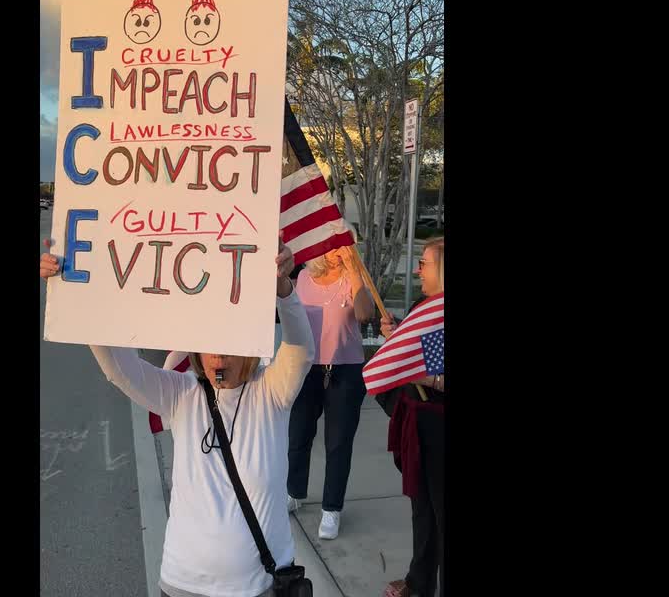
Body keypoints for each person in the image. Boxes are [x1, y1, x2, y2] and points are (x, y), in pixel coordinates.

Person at [40, 239, 314, 597]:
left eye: (230, 343)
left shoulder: (271, 392)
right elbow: (119, 368)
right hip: (183, 585)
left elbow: (301, 350)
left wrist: (284, 289)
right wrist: (76, 288)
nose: (219, 355)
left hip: (261, 585)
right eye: (209, 341)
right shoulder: (180, 392)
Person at [285, 245, 376, 540]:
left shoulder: (353, 280)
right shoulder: (303, 279)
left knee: (338, 443)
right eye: (335, 244)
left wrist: (355, 271)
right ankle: (294, 491)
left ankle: (332, 509)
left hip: (345, 371)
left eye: (345, 244)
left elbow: (365, 314)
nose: (340, 250)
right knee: (299, 436)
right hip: (307, 368)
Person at [377, 236, 445, 597]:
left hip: (439, 428)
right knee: (424, 511)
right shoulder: (426, 307)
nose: (418, 269)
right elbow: (422, 352)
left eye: (425, 263)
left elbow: (433, 370)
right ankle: (419, 584)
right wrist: (397, 336)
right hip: (420, 427)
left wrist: (416, 371)